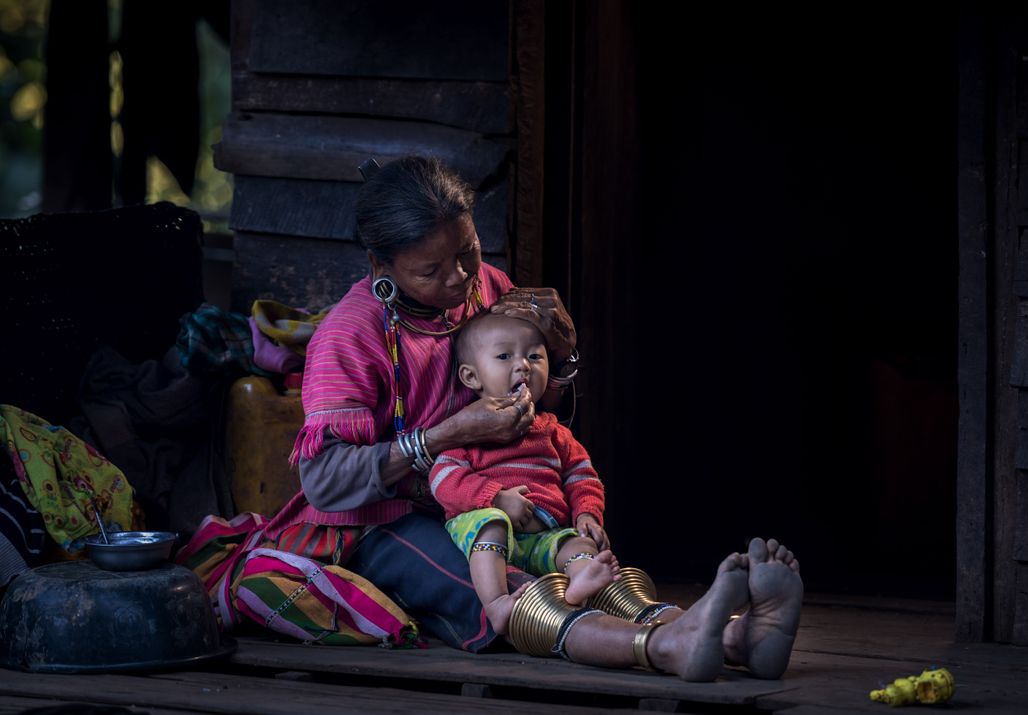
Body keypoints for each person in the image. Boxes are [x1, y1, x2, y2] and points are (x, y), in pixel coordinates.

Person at [239, 155, 803, 680]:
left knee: (588, 566)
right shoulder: (349, 336)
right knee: (511, 592)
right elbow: (325, 481)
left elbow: (538, 415)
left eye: (468, 252)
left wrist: (561, 357)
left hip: (489, 496)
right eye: (430, 270)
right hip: (381, 520)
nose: (459, 279)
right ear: (379, 265)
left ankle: (730, 638)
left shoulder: (492, 291)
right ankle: (663, 648)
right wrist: (446, 436)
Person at [429, 309, 621, 636]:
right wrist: (496, 499)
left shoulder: (553, 431)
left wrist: (587, 515)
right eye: (505, 356)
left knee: (579, 546)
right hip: (487, 530)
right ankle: (498, 605)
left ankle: (578, 587)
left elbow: (581, 476)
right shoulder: (469, 428)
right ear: (471, 377)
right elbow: (443, 479)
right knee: (489, 526)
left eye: (535, 355)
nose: (523, 365)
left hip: (544, 536)